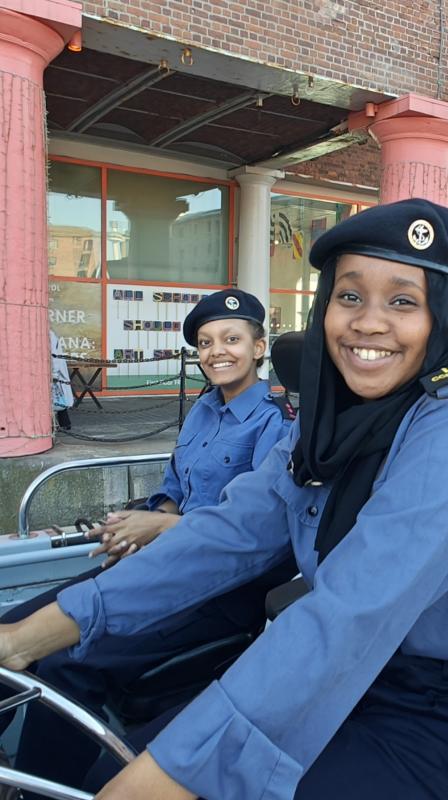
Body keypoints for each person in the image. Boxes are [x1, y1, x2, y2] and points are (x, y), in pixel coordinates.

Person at [0, 198, 448, 800]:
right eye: (349, 297)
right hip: (358, 681)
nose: (368, 323)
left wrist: (175, 774)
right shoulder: (330, 419)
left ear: (444, 317)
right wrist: (29, 637)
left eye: (403, 301)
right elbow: (225, 535)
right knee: (110, 770)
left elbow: (358, 606)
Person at [1, 289, 298, 796]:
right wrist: (133, 525)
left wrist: (160, 530)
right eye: (205, 343)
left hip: (219, 589)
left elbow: (250, 533)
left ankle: (40, 790)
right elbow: (175, 492)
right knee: (11, 625)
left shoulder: (278, 424)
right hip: (159, 562)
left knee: (68, 665)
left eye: (231, 339)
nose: (215, 352)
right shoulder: (204, 410)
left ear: (258, 347)